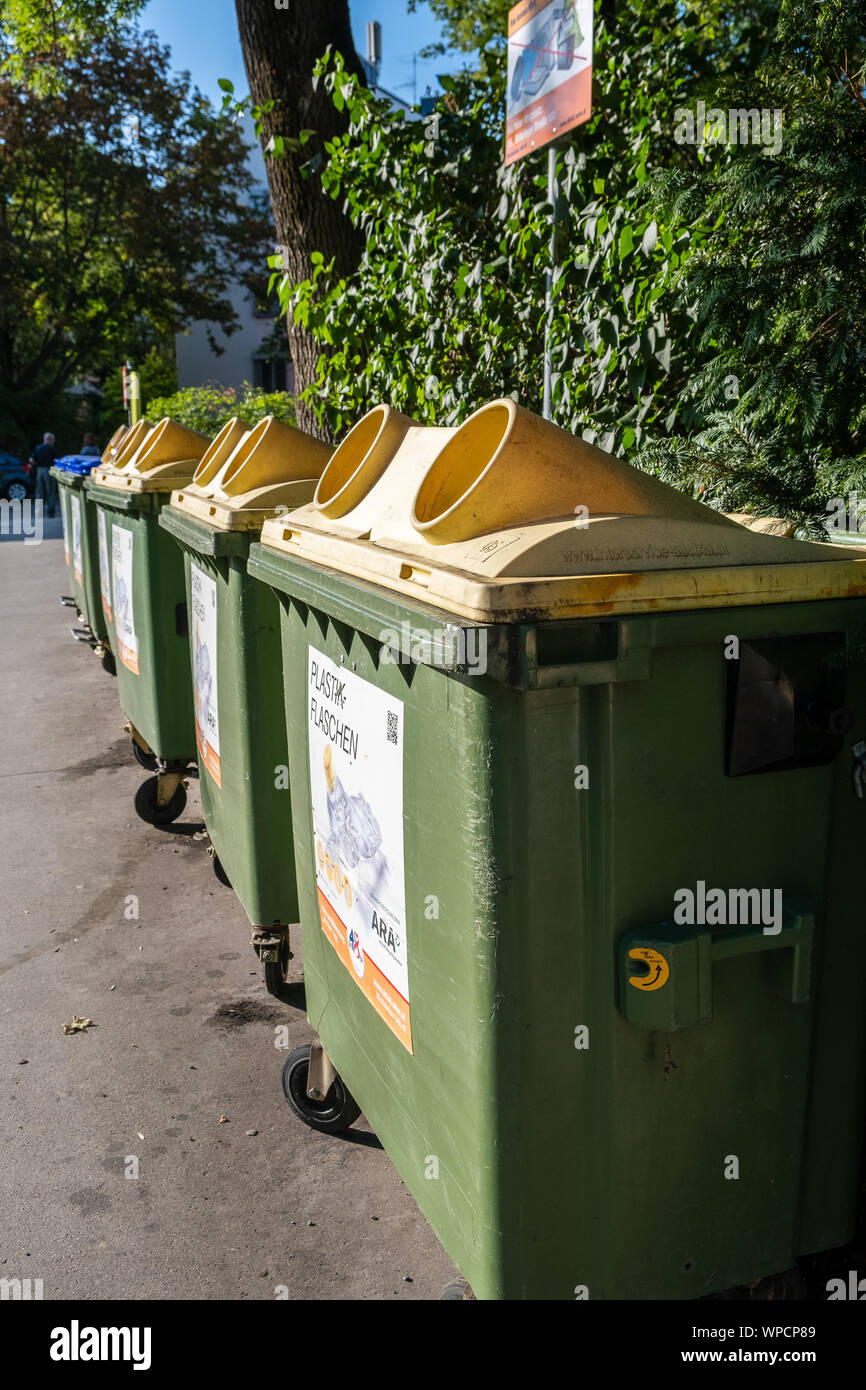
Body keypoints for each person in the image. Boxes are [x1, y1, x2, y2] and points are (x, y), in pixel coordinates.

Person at [30, 432, 59, 517]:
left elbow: (31, 460)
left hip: (39, 470)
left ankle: (39, 512)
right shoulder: (51, 449)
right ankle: (51, 512)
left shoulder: (38, 448)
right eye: (53, 440)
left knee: (39, 491)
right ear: (50, 440)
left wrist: (37, 464)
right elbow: (57, 460)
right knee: (51, 491)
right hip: (49, 470)